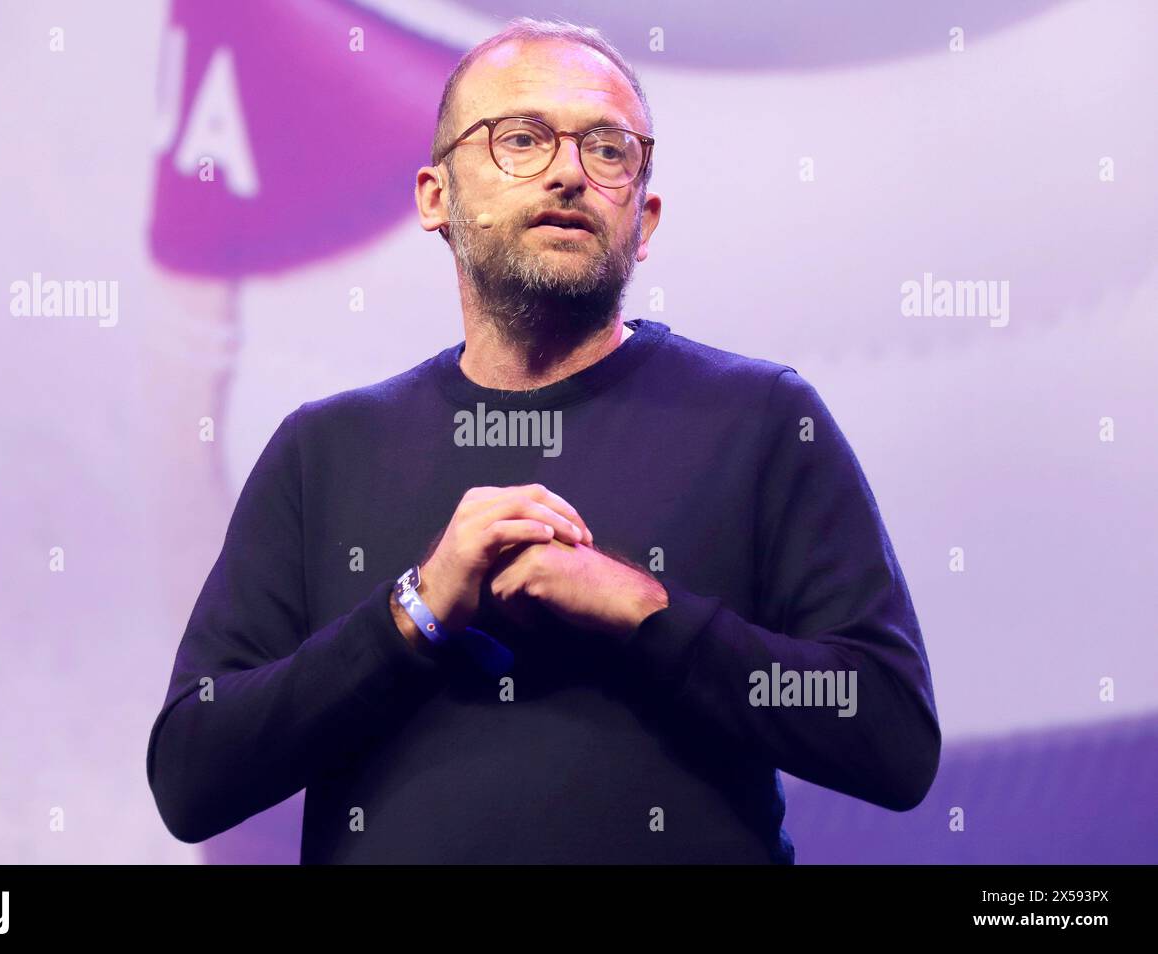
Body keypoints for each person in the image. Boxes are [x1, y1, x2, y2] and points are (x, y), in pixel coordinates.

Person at [146, 17, 941, 864]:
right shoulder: (325, 452)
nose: (569, 172)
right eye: (521, 139)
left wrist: (644, 612)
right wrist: (414, 612)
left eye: (607, 149)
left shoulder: (764, 422)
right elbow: (192, 774)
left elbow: (890, 737)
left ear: (645, 219)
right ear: (436, 197)